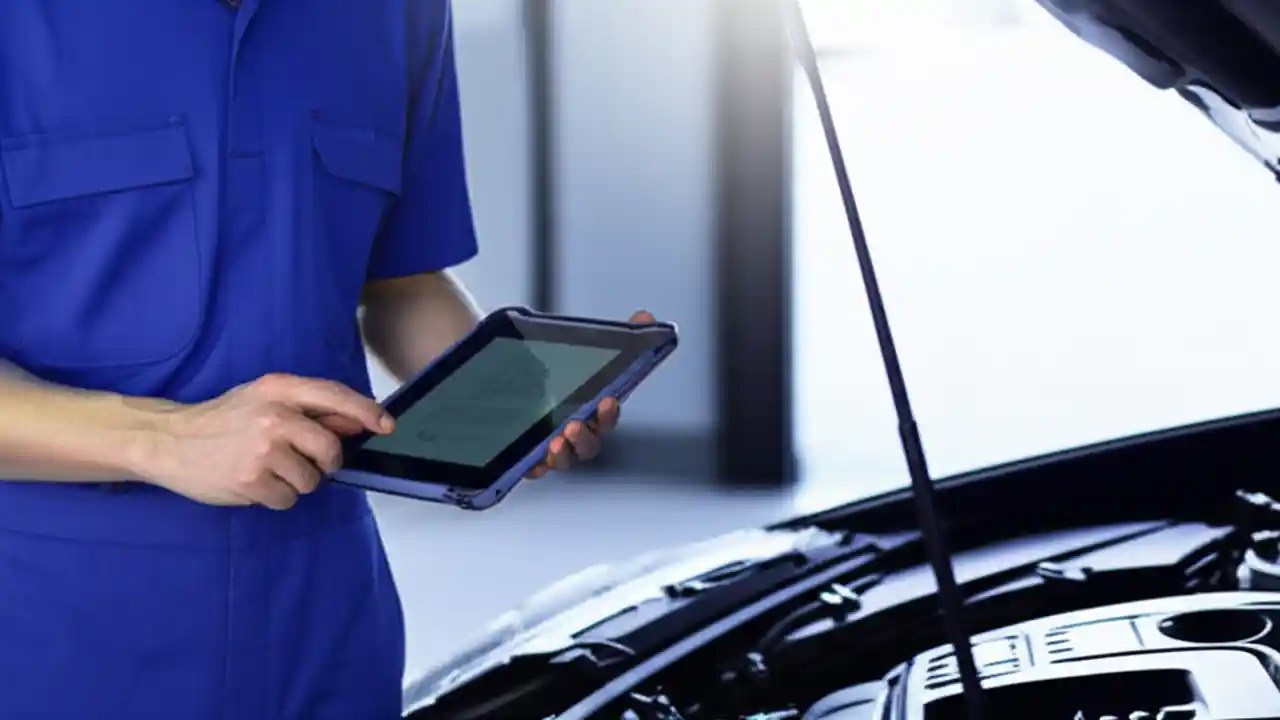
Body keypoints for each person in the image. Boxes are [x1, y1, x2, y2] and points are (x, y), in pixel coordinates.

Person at [0, 1, 649, 717]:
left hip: (327, 616)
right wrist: (164, 439)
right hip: (51, 621)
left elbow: (397, 282)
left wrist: (511, 400)